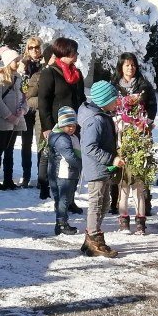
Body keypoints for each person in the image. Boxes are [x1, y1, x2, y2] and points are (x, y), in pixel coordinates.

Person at [36, 37, 86, 204]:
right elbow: (43, 102)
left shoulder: (77, 74)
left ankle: (69, 200)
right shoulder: (49, 72)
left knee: (71, 162)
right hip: (56, 125)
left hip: (74, 124)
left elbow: (81, 98)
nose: (77, 55)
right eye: (74, 52)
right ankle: (47, 189)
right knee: (53, 160)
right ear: (65, 53)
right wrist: (47, 126)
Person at [113, 52, 157, 235]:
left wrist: (146, 124)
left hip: (140, 135)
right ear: (121, 67)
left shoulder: (144, 86)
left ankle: (141, 219)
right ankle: (123, 218)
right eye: (126, 65)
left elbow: (152, 109)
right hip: (120, 135)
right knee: (123, 178)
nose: (130, 68)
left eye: (133, 65)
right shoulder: (113, 86)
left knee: (139, 179)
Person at [78, 81, 124, 258]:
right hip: (96, 169)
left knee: (104, 203)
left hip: (102, 168)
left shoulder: (101, 115)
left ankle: (90, 235)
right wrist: (111, 158)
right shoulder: (95, 120)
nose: (117, 103)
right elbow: (89, 146)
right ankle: (94, 239)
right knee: (96, 204)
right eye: (114, 100)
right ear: (104, 100)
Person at [0, 47, 27, 190]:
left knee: (10, 149)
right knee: (0, 148)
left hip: (16, 119)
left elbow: (23, 96)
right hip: (5, 119)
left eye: (18, 60)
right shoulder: (0, 77)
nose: (18, 63)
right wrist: (9, 116)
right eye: (15, 61)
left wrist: (23, 109)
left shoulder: (18, 77)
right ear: (8, 62)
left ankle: (8, 179)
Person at [48, 106, 82, 236]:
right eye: (68, 125)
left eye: (73, 125)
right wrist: (81, 164)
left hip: (62, 172)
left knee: (63, 199)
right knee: (64, 199)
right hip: (64, 173)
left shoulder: (66, 136)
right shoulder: (62, 138)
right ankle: (61, 224)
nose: (71, 128)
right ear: (62, 125)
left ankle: (61, 222)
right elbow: (70, 157)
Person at [19, 36, 44, 188]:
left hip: (40, 108)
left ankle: (41, 177)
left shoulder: (45, 65)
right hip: (24, 109)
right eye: (31, 47)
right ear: (27, 49)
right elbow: (22, 90)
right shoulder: (22, 66)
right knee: (25, 143)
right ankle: (26, 175)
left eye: (37, 47)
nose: (34, 50)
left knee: (40, 142)